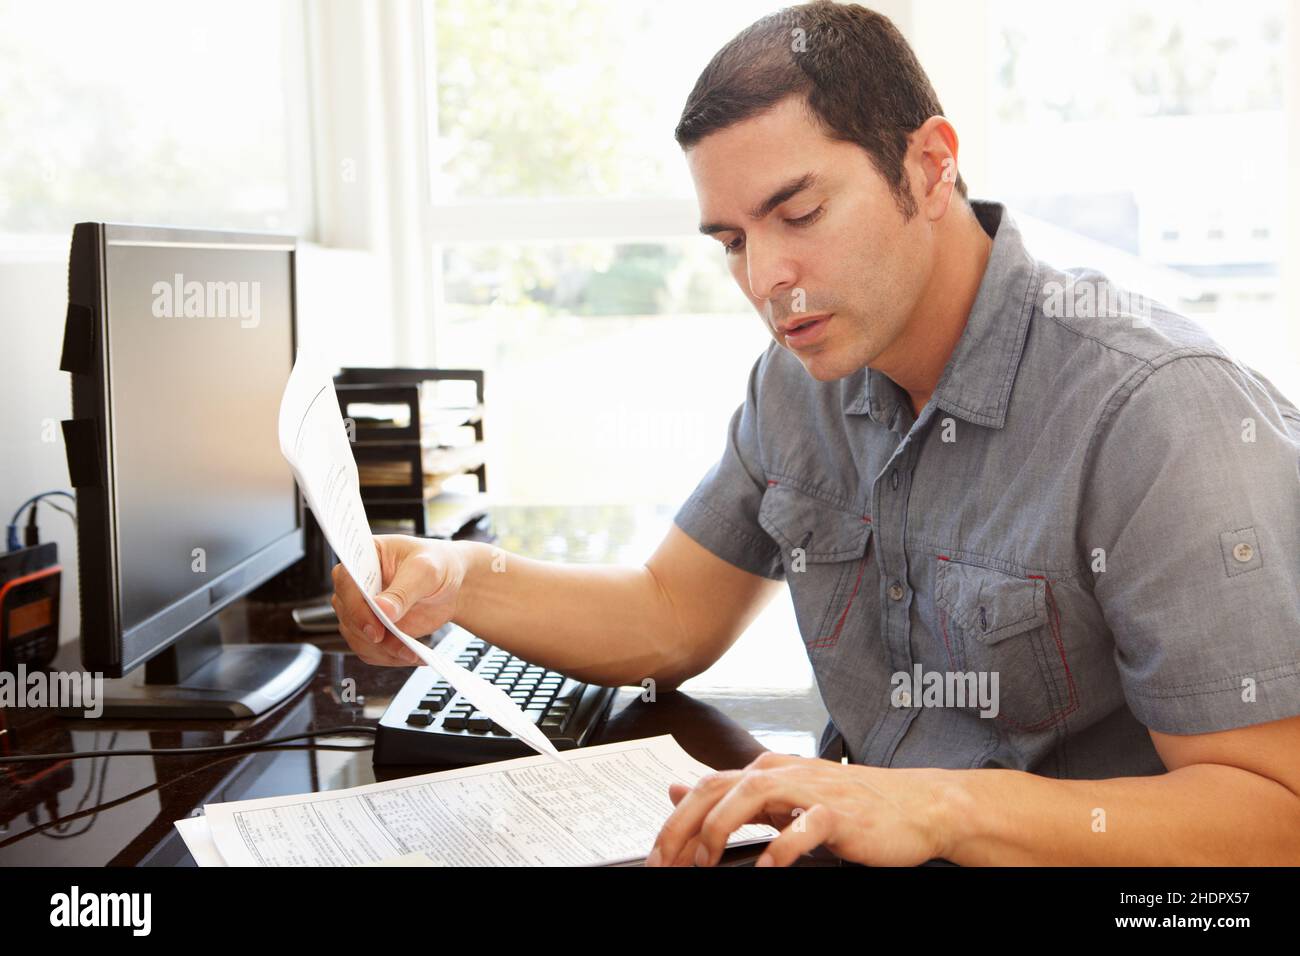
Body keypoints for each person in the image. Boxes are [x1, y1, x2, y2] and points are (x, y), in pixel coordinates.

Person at [332, 1, 1300, 866]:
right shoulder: (803, 381)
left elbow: (1275, 815)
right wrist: (459, 580)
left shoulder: (1160, 414)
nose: (766, 280)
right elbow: (670, 611)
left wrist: (943, 806)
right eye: (733, 243)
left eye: (798, 213)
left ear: (928, 167)